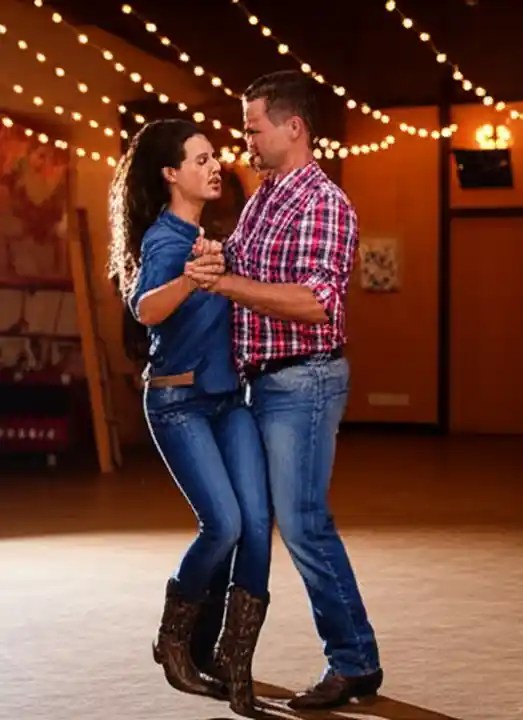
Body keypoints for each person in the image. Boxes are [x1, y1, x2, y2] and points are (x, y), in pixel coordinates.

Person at [185, 70, 382, 710]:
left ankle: (354, 663)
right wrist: (207, 259)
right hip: (260, 383)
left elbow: (316, 304)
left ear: (293, 128)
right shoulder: (266, 196)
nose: (245, 140)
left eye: (253, 128)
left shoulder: (323, 202)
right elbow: (240, 266)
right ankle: (213, 648)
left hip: (305, 381)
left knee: (302, 524)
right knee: (250, 520)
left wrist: (225, 285)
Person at [106, 118, 271, 716]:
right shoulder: (165, 240)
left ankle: (235, 659)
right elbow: (147, 308)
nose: (214, 167)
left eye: (214, 158)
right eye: (199, 160)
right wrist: (192, 277)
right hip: (178, 404)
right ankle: (173, 639)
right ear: (171, 174)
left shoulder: (209, 239)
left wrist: (218, 263)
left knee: (256, 525)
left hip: (230, 403)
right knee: (223, 525)